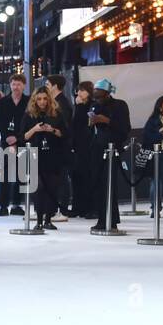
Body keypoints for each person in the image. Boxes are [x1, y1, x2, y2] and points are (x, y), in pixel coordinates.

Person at [88, 78, 131, 232]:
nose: (96, 96)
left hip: (111, 150)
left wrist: (107, 121)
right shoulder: (94, 106)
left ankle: (111, 220)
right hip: (96, 150)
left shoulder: (120, 105)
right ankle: (101, 218)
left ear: (107, 92)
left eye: (99, 94)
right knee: (98, 185)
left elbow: (125, 128)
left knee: (109, 185)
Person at [20, 86, 66, 229]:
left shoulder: (56, 114)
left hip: (53, 156)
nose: (42, 102)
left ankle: (48, 220)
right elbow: (22, 137)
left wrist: (51, 130)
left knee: (51, 189)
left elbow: (64, 133)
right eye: (39, 99)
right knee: (38, 188)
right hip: (34, 155)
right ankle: (39, 220)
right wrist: (34, 129)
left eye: (45, 99)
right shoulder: (29, 115)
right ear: (35, 100)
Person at [0, 74, 27, 216]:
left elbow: (28, 122)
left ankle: (17, 204)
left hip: (24, 142)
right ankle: (3, 206)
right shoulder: (2, 102)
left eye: (18, 84)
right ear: (10, 85)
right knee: (5, 175)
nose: (16, 87)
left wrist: (18, 139)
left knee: (21, 175)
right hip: (6, 141)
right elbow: (0, 122)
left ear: (23, 85)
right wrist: (8, 138)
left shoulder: (29, 101)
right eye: (13, 84)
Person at [45, 74, 73, 220]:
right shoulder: (55, 102)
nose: (46, 87)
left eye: (48, 84)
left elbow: (65, 127)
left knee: (62, 179)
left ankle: (62, 210)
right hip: (54, 146)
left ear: (55, 86)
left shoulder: (62, 103)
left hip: (61, 146)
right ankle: (54, 209)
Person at [70, 81, 95, 218]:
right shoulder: (77, 106)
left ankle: (88, 207)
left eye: (82, 90)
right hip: (77, 147)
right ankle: (77, 206)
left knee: (87, 178)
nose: (78, 93)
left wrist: (79, 107)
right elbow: (74, 125)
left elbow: (84, 124)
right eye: (78, 90)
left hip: (88, 146)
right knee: (76, 178)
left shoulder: (91, 106)